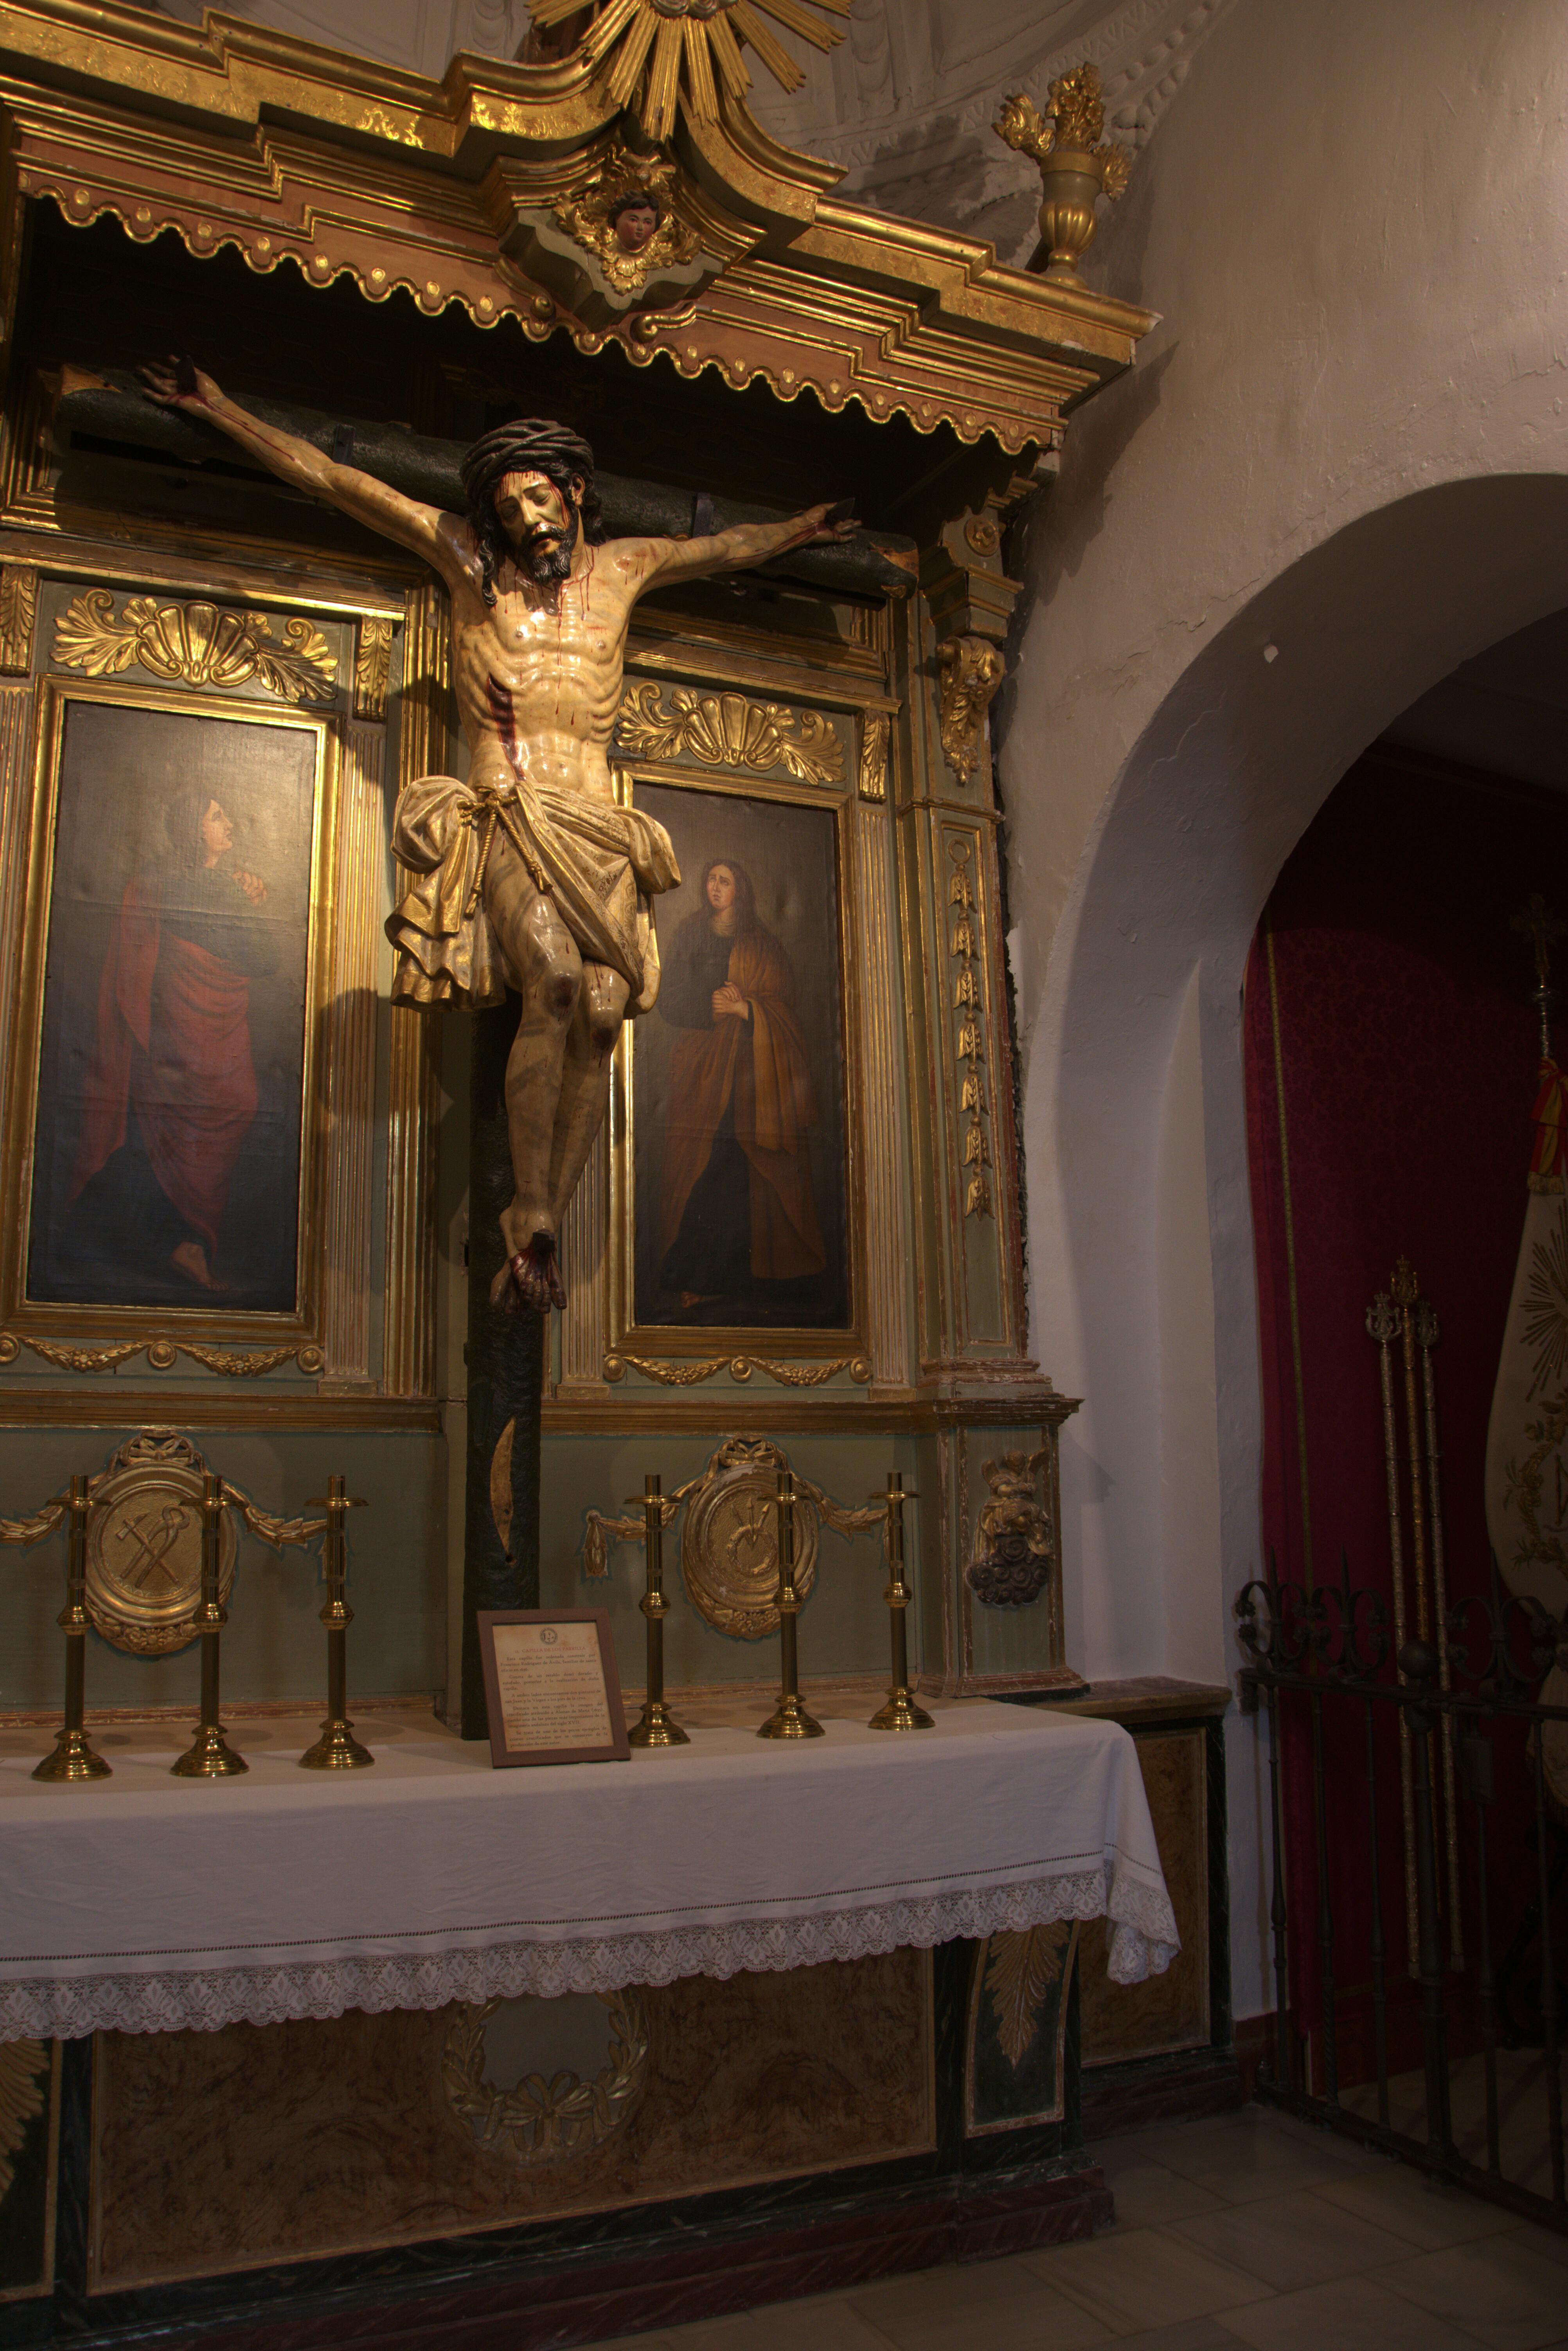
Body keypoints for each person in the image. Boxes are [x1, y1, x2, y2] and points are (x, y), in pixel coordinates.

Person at [140, 359, 854, 1312]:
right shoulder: (469, 568)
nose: (529, 520)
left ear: (574, 493)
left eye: (541, 498)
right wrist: (223, 406)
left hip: (598, 824)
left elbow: (724, 551)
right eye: (510, 505)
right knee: (554, 983)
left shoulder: (626, 569)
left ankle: (544, 1218)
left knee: (604, 1007)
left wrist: (800, 531)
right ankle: (529, 1201)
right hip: (511, 812)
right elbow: (341, 483)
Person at [67, 788, 274, 1292]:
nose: (229, 825)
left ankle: (185, 1242)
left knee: (240, 1103)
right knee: (159, 1132)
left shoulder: (230, 885)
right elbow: (140, 965)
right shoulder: (159, 885)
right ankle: (173, 1244)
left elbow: (265, 960)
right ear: (193, 828)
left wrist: (250, 895)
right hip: (172, 1036)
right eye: (218, 817)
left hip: (219, 1029)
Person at [655, 857, 826, 1313]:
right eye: (710, 878)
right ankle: (692, 1274)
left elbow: (787, 1013)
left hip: (752, 1076)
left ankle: (731, 1278)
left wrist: (747, 1011)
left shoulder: (763, 945)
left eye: (724, 880)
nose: (715, 887)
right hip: (700, 1073)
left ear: (740, 890)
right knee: (701, 1163)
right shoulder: (690, 934)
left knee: (737, 1172)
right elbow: (666, 1000)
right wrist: (709, 1009)